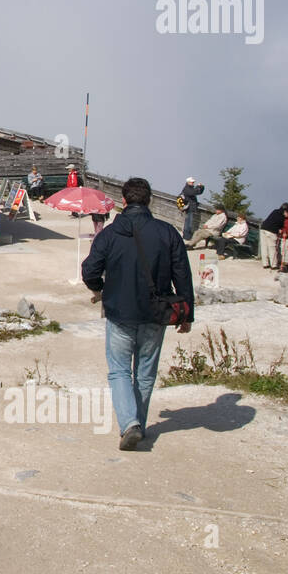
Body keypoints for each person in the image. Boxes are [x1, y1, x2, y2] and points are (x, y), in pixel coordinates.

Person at [81, 176, 194, 450]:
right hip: (156, 313)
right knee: (145, 374)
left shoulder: (108, 234)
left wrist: (100, 289)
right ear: (149, 200)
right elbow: (182, 275)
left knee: (119, 372)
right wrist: (187, 314)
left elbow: (90, 271)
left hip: (120, 312)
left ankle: (129, 424)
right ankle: (138, 426)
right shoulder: (167, 232)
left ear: (123, 201)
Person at [260, 202, 288, 270]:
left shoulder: (275, 211)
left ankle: (265, 264)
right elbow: (281, 225)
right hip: (271, 231)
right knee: (272, 248)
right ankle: (273, 265)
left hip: (263, 228)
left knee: (264, 247)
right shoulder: (282, 216)